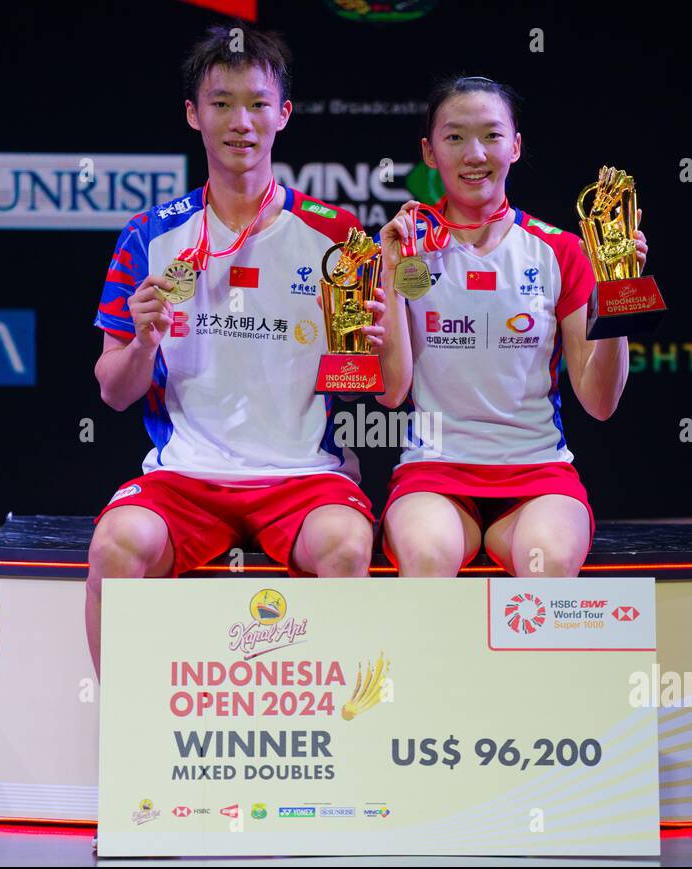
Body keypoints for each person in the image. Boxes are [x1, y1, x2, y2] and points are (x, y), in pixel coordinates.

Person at [85, 24, 402, 677]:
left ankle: (344, 743)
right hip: (185, 479)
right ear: (192, 114)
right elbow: (113, 390)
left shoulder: (340, 236)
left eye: (258, 103)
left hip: (302, 479)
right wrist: (142, 341)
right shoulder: (150, 234)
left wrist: (374, 346)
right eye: (221, 102)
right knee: (115, 545)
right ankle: (125, 740)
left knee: (346, 546)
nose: (241, 122)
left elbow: (375, 382)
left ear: (283, 114)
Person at [375, 76, 648, 577]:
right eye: (454, 137)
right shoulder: (404, 247)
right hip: (433, 472)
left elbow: (600, 402)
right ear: (429, 152)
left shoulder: (560, 251)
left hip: (538, 474)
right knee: (427, 555)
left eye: (492, 136)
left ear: (516, 146)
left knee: (548, 561)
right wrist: (390, 278)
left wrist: (617, 291)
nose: (474, 153)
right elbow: (391, 393)